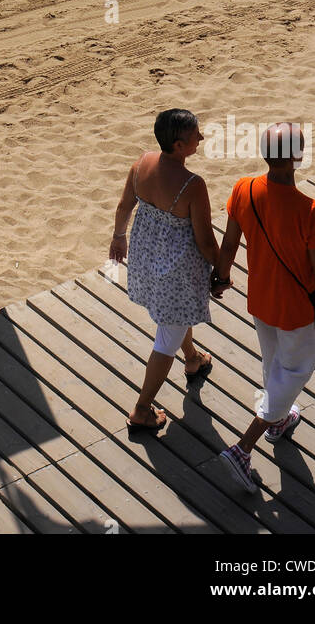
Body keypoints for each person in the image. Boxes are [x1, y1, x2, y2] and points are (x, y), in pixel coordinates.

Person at [214, 124, 315, 492]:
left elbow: (228, 246)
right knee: (296, 370)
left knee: (273, 364)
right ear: (296, 158)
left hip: (260, 299)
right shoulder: (310, 211)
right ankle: (243, 447)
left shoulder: (243, 189)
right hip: (295, 309)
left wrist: (221, 278)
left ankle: (278, 420)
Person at [109, 109, 222, 431]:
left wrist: (118, 238)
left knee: (175, 318)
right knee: (166, 340)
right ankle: (141, 409)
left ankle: (192, 358)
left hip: (146, 258)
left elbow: (123, 207)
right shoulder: (192, 184)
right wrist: (222, 269)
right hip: (176, 270)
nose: (200, 138)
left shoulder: (142, 163)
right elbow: (205, 240)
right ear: (178, 145)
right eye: (195, 136)